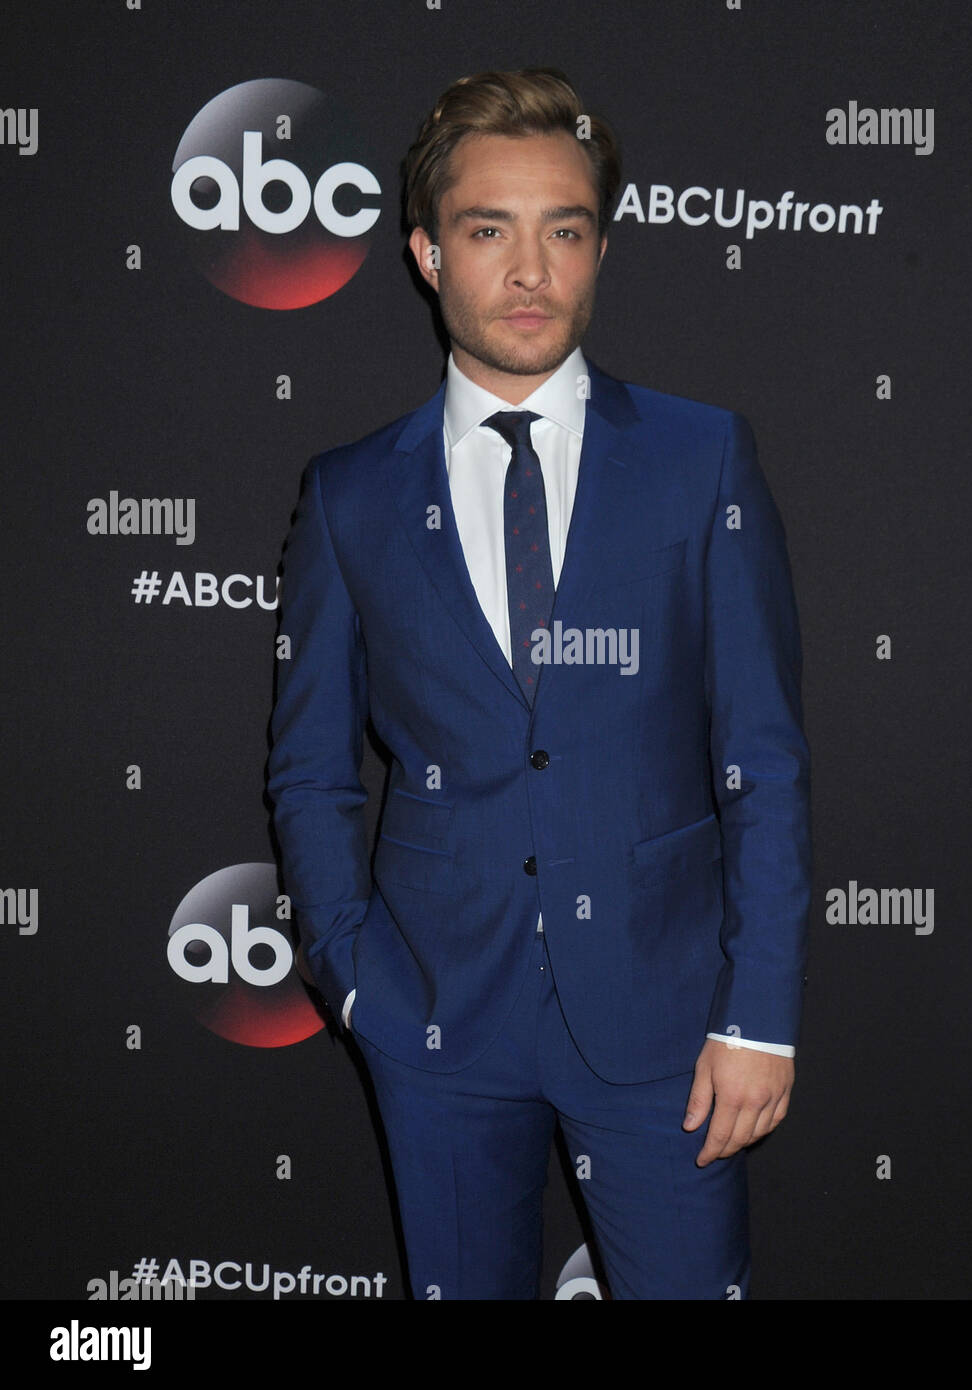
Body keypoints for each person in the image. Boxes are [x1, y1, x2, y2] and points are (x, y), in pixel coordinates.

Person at [267, 67, 811, 1300]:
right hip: (436, 1016)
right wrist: (359, 984)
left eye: (563, 231)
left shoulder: (698, 454)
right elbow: (308, 769)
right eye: (487, 230)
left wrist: (759, 1012)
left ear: (600, 248)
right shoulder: (349, 494)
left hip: (668, 1023)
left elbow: (764, 754)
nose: (529, 271)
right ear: (424, 251)